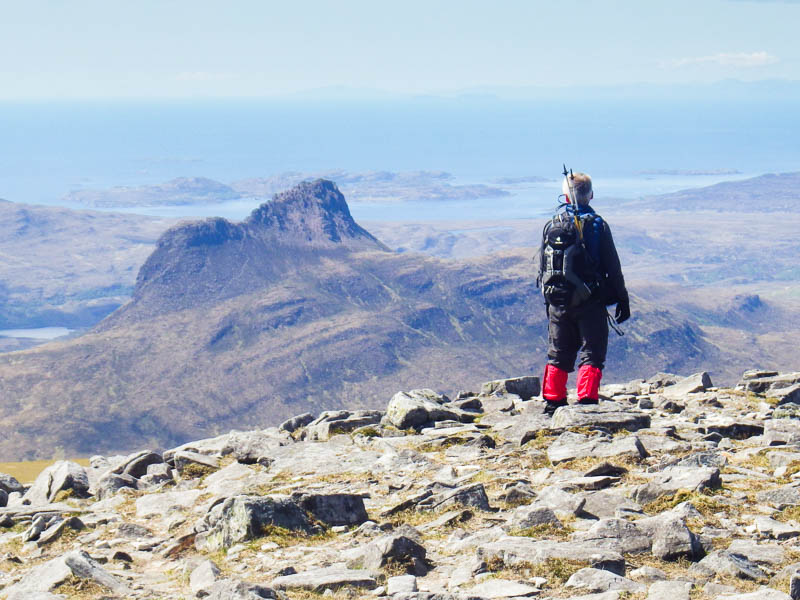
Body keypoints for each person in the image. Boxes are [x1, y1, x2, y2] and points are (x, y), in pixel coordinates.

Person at [537, 171, 630, 415]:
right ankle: (587, 402)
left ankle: (552, 402)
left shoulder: (552, 225)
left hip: (557, 300)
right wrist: (622, 298)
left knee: (558, 352)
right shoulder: (597, 225)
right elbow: (613, 266)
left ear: (566, 197)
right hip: (590, 300)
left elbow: (542, 266)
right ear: (591, 195)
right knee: (592, 351)